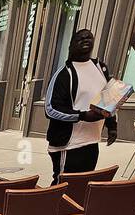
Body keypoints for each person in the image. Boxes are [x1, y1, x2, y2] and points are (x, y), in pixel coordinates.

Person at [45, 27, 118, 181]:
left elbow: (108, 99)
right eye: (81, 38)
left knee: (82, 186)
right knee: (62, 187)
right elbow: (50, 108)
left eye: (89, 37)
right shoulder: (65, 74)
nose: (86, 40)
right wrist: (83, 116)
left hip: (92, 140)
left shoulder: (101, 68)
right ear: (71, 45)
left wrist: (112, 126)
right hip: (69, 144)